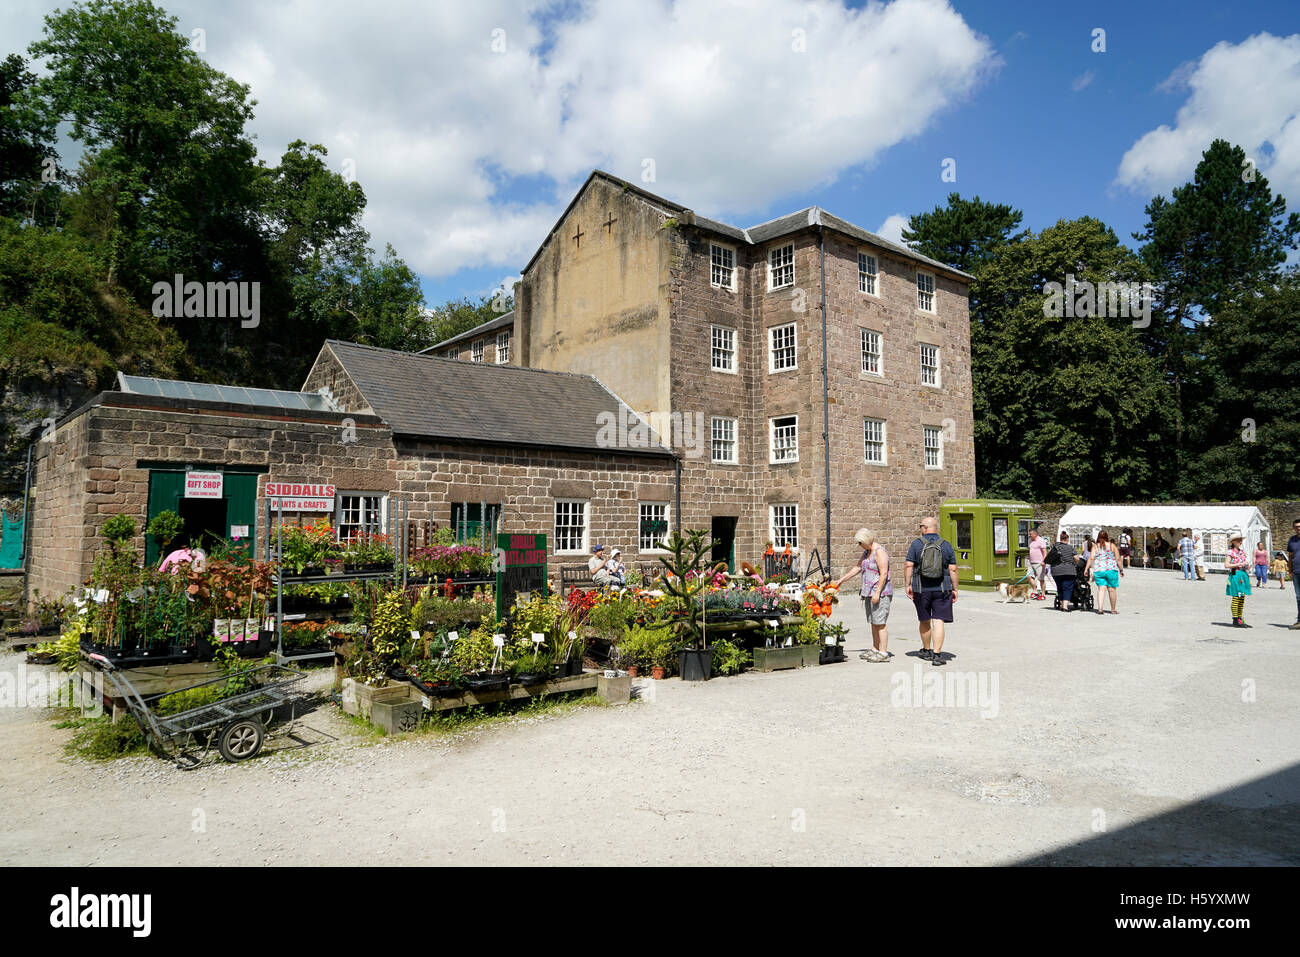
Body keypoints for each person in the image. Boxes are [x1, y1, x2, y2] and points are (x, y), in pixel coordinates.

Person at [903, 516, 958, 667]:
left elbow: (908, 565)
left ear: (925, 528)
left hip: (921, 589)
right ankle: (937, 654)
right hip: (942, 588)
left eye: (921, 526)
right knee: (938, 620)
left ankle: (926, 650)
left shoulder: (916, 544)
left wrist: (908, 584)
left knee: (924, 619)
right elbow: (953, 568)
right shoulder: (946, 545)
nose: (920, 528)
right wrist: (955, 588)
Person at [835, 528, 892, 662]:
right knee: (873, 622)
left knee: (880, 623)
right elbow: (857, 568)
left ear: (866, 540)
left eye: (860, 543)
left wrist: (877, 593)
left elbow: (883, 574)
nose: (859, 545)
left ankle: (883, 653)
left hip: (881, 593)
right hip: (869, 592)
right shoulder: (867, 552)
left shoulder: (880, 552)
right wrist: (840, 581)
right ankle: (875, 649)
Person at [1084, 529, 1123, 614]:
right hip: (1111, 570)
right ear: (1107, 537)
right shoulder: (1112, 546)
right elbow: (1118, 559)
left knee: (1101, 590)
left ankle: (1100, 609)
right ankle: (1113, 609)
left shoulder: (1095, 546)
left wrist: (1086, 569)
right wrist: (1121, 569)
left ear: (1098, 537)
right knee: (1112, 590)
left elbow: (1091, 558)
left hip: (1099, 570)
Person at [1225, 535, 1252, 627]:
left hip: (1242, 574)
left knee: (1241, 597)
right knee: (1236, 597)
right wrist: (1240, 564)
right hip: (1236, 575)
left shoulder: (1241, 552)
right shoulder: (1231, 552)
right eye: (1238, 540)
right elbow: (1227, 565)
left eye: (1241, 540)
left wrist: (1246, 566)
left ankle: (1240, 618)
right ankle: (1235, 619)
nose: (1240, 542)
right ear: (1233, 542)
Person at [1047, 532, 1078, 611]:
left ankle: (1061, 604)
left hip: (1056, 571)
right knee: (1067, 588)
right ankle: (1065, 606)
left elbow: (1049, 557)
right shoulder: (1071, 548)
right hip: (1068, 570)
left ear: (1060, 539)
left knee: (1060, 587)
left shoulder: (1055, 547)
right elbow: (1077, 558)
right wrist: (1075, 564)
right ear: (1067, 539)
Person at [1026, 528, 1049, 599]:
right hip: (1031, 562)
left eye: (1031, 534)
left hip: (1039, 562)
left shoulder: (1041, 540)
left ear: (1035, 534)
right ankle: (1035, 591)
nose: (1030, 535)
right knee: (1028, 576)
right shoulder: (1030, 540)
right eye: (1029, 534)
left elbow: (1044, 551)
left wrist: (1044, 561)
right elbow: (1030, 550)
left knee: (1041, 579)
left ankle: (1043, 594)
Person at [1288, 519, 1300, 629]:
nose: (1298, 528)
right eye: (1296, 527)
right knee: (1299, 597)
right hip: (1296, 571)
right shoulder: (1292, 540)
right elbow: (1290, 556)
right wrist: (1290, 570)